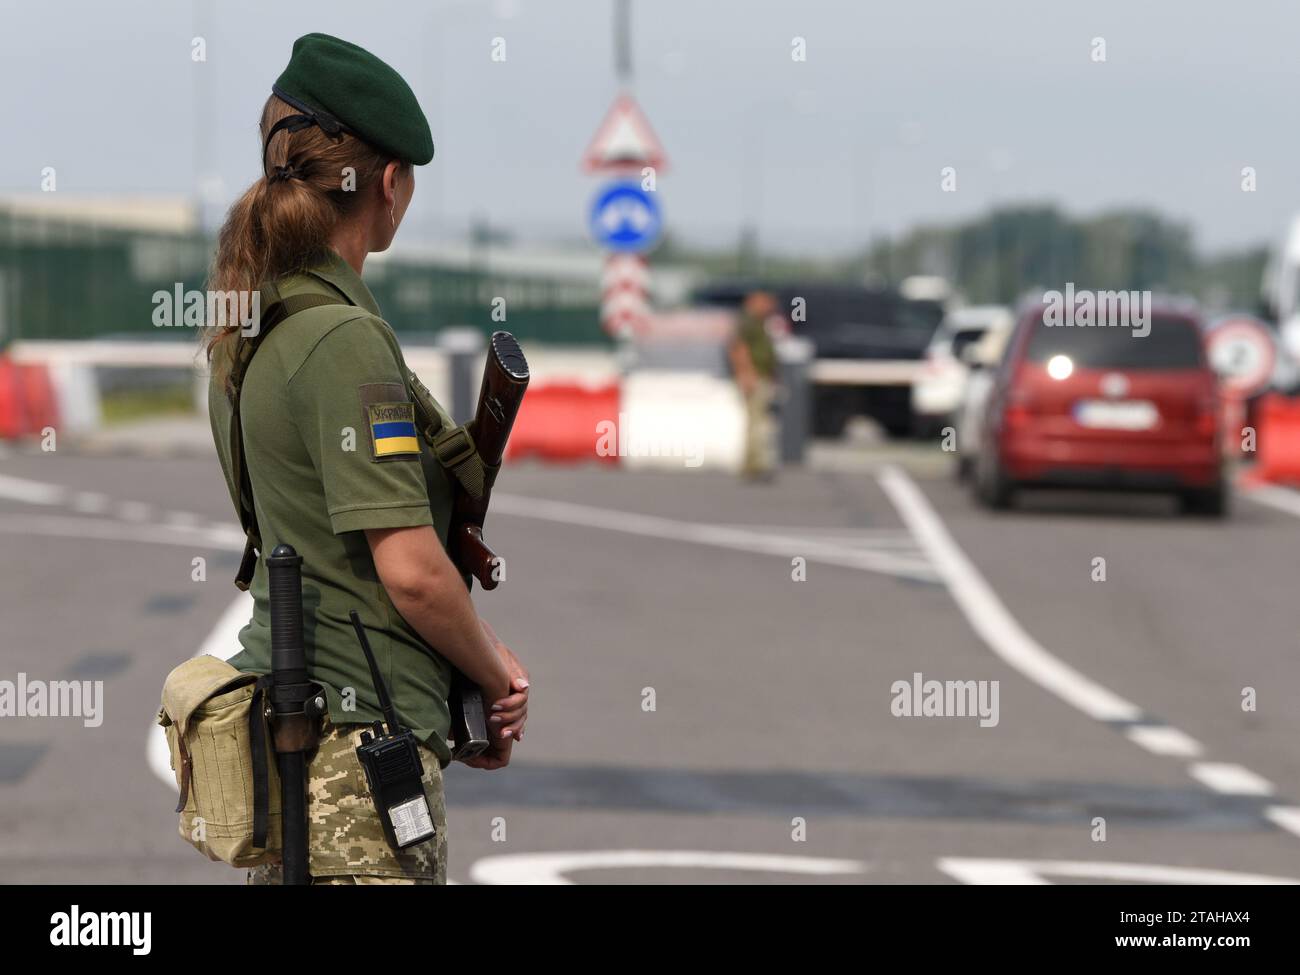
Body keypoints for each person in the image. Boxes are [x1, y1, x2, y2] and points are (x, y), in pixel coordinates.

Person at [203, 33, 529, 885]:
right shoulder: (344, 339)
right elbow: (412, 571)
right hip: (358, 759)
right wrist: (497, 675)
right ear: (389, 183)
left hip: (290, 746)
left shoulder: (252, 324)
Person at [728, 291, 780, 480]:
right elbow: (738, 348)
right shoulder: (748, 322)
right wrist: (746, 373)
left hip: (761, 375)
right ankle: (756, 464)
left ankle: (752, 463)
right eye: (765, 302)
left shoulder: (757, 321)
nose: (769, 307)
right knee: (758, 422)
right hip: (754, 377)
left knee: (757, 421)